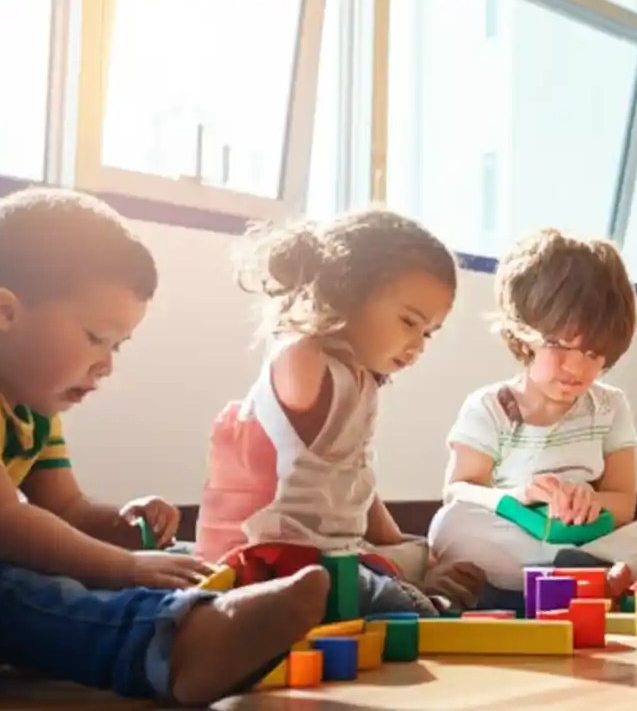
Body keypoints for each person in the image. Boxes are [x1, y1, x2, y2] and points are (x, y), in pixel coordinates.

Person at [0, 188, 325, 705]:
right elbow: (2, 525)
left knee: (161, 559)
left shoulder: (29, 402)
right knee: (8, 589)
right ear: (6, 311)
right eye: (95, 337)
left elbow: (67, 509)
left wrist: (126, 532)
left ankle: (218, 605)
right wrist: (126, 568)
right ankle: (174, 648)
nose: (106, 364)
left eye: (116, 346)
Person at [194, 209, 484, 614]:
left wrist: (402, 545)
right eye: (408, 322)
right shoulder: (303, 357)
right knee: (389, 596)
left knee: (420, 553)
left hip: (333, 553)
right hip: (271, 559)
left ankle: (416, 584)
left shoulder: (360, 378)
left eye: (428, 333)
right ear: (349, 291)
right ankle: (424, 600)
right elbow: (314, 322)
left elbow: (352, 476)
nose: (418, 345)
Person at [427, 229, 637, 605]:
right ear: (523, 334)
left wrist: (593, 500)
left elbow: (624, 503)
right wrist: (516, 496)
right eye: (558, 345)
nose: (575, 367)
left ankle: (549, 583)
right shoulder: (489, 406)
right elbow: (458, 490)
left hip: (592, 541)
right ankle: (583, 580)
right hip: (517, 536)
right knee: (449, 526)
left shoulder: (609, 407)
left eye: (593, 353)